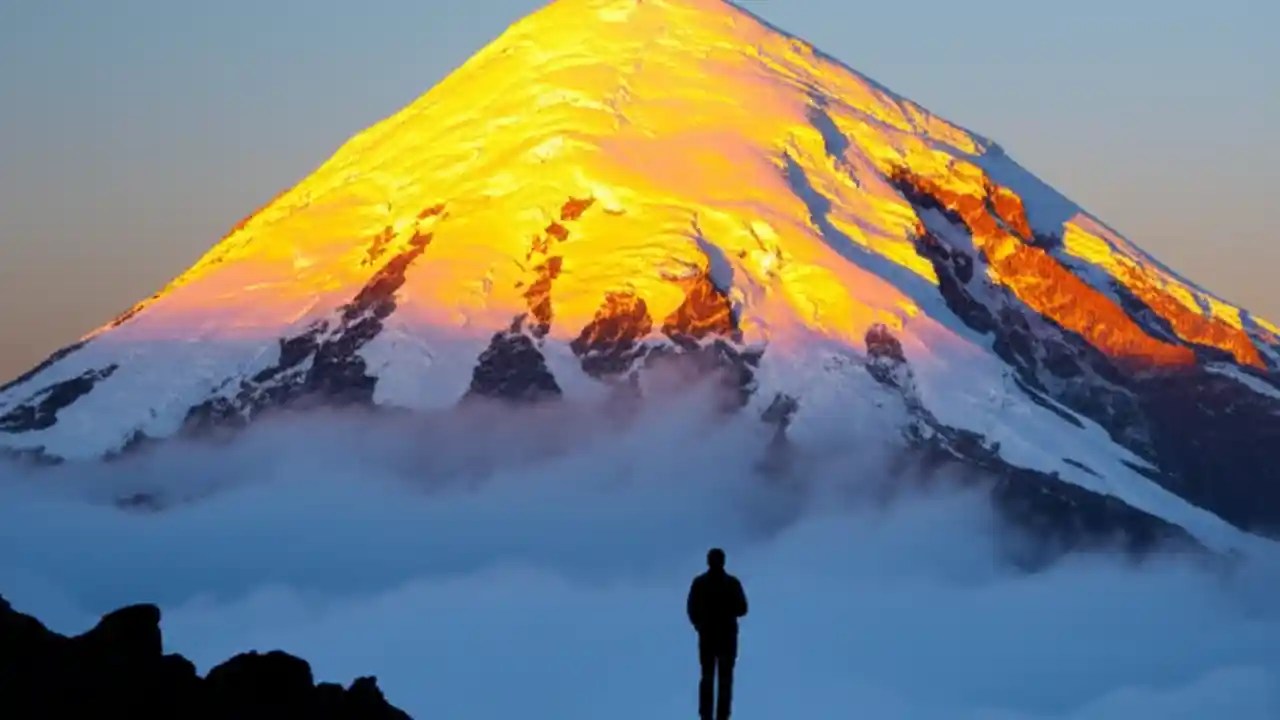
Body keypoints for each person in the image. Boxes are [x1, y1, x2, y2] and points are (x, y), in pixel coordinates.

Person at [686, 547, 748, 720]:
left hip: (708, 637)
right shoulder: (732, 583)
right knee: (724, 679)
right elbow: (743, 608)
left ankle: (707, 715)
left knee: (708, 676)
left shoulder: (700, 583)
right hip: (726, 638)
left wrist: (700, 625)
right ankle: (722, 715)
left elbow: (692, 609)